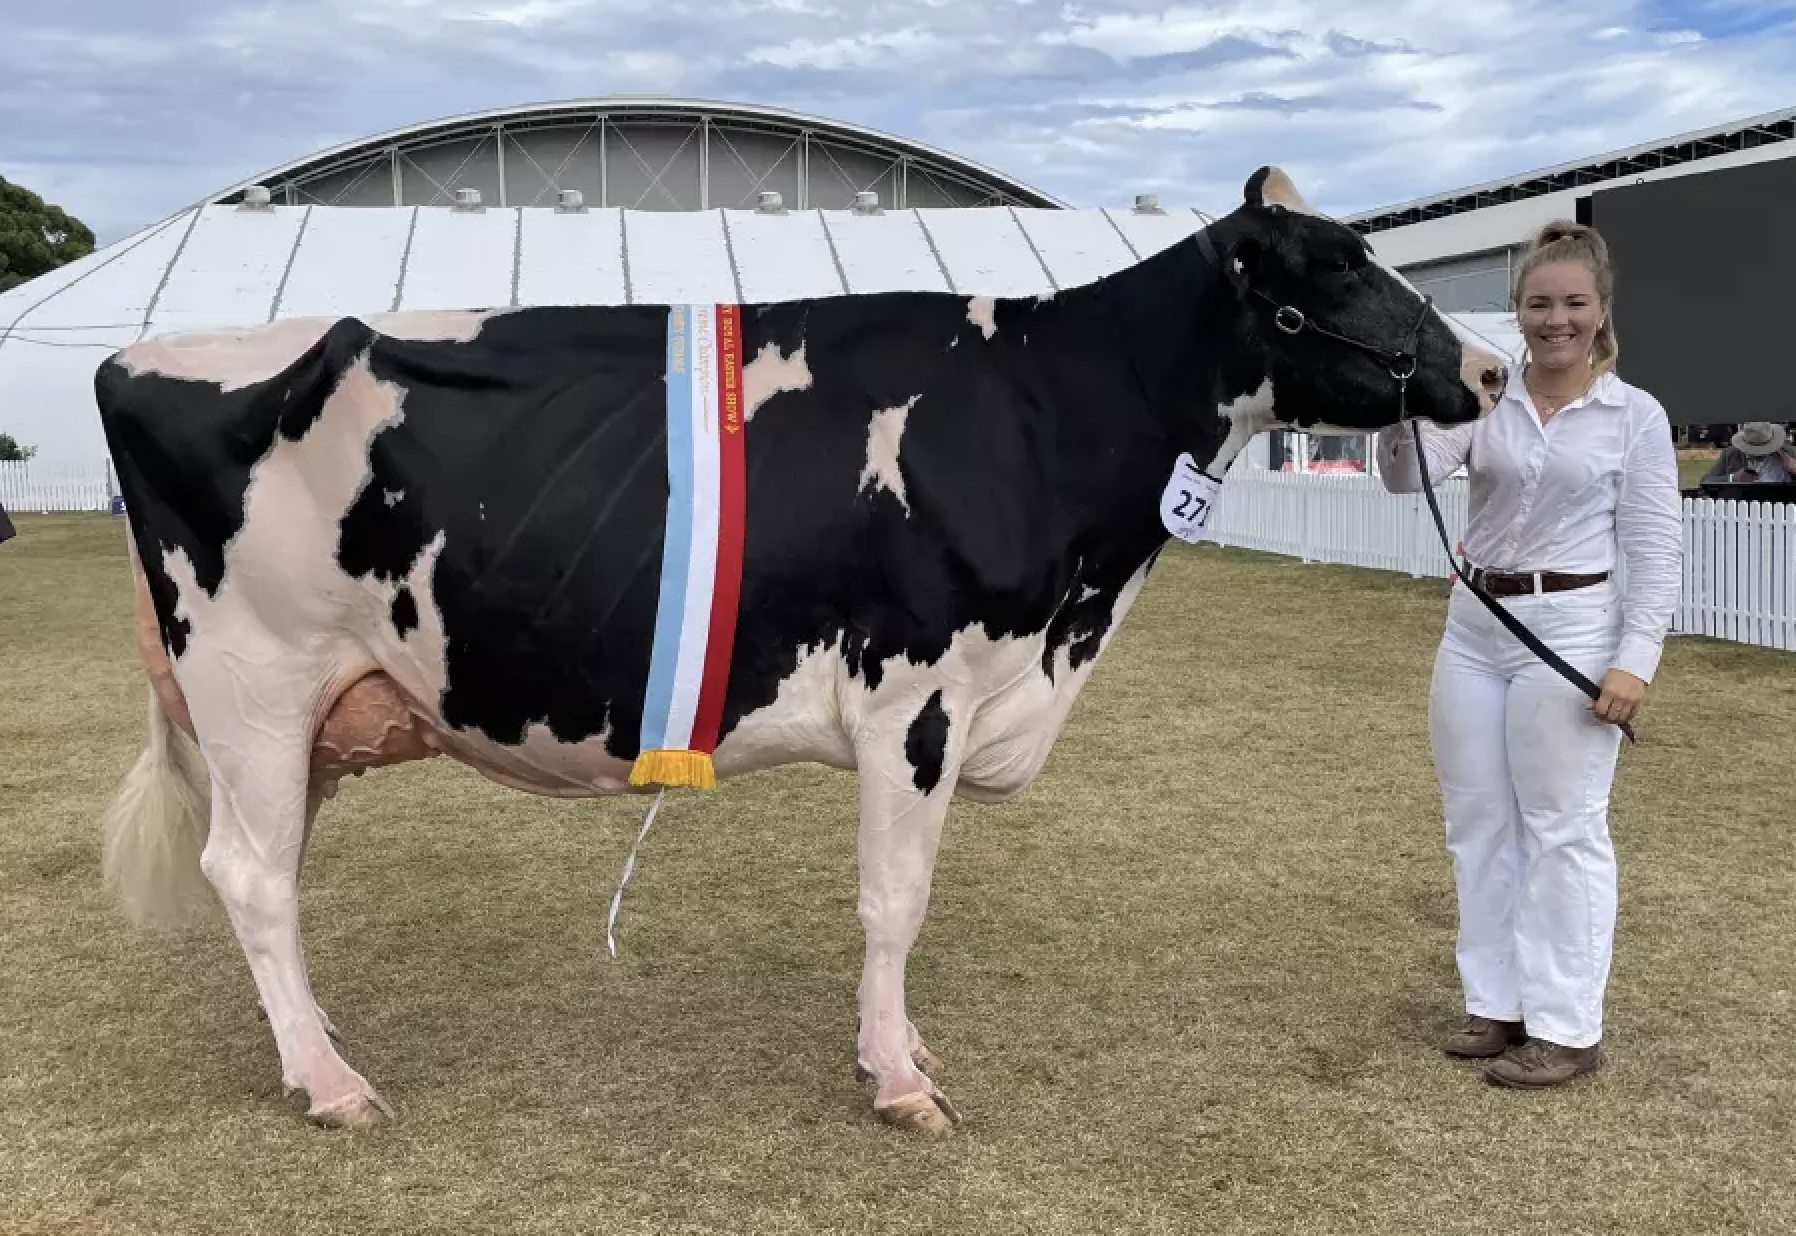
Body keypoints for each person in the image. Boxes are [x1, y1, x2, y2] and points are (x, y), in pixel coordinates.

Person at [1375, 220, 1683, 1089]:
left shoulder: (1635, 416)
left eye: (1573, 304)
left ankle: (1567, 1026)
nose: (1556, 320)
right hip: (1476, 630)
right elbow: (1408, 476)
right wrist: (1397, 404)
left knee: (1563, 828)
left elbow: (1657, 549)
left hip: (1575, 631)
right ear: (1518, 312)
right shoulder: (1489, 399)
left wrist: (1636, 660)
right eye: (1539, 304)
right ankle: (1497, 1003)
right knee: (1478, 824)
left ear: (1600, 311)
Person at [1699, 421, 1796, 485]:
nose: (1759, 453)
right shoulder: (1730, 454)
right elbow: (1705, 482)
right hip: (1742, 510)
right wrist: (1733, 478)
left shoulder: (1791, 453)